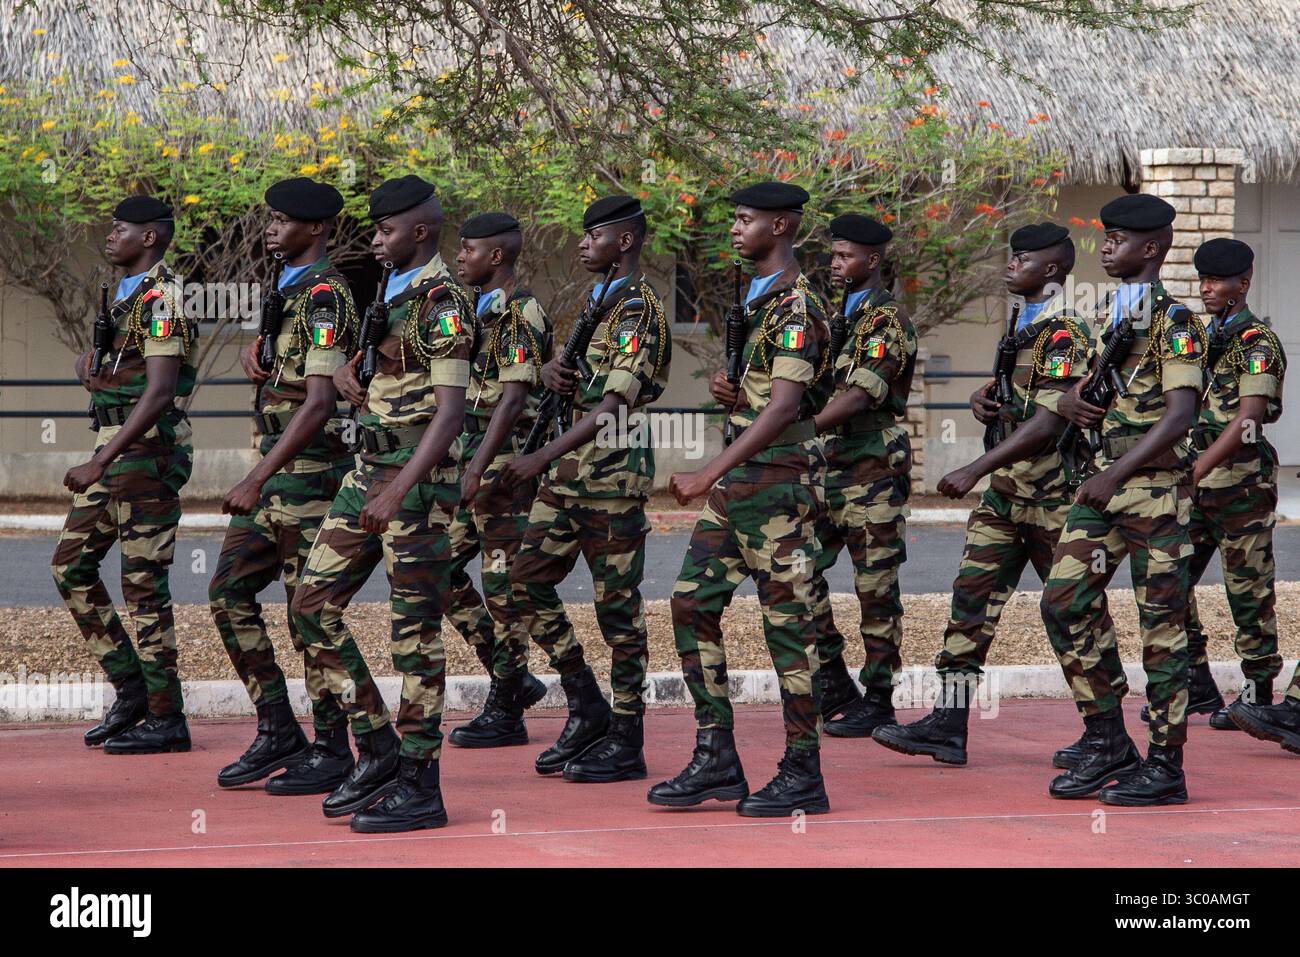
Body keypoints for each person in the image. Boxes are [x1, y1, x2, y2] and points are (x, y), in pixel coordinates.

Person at [872, 222, 1127, 765]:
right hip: (1008, 498)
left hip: (1054, 498)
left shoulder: (1064, 331)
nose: (1011, 265)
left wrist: (973, 468)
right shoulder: (1023, 321)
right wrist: (986, 398)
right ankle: (949, 723)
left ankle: (1107, 733)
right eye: (1012, 257)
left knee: (1073, 613)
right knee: (970, 604)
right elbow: (1021, 402)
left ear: (1053, 269)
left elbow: (1048, 421)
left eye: (1024, 259)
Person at [290, 174, 475, 832]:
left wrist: (399, 489)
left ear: (420, 232)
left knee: (414, 634)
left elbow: (450, 413)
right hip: (368, 470)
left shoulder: (443, 298)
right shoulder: (389, 291)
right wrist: (354, 381)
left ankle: (422, 784)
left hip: (415, 486)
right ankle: (377, 744)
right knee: (311, 604)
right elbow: (395, 383)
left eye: (386, 230)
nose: (374, 239)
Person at [648, 181, 833, 816]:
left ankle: (803, 771)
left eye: (747, 220)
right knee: (690, 603)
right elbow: (770, 395)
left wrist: (705, 474)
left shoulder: (797, 306)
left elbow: (784, 409)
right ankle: (717, 755)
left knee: (789, 629)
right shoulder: (758, 298)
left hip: (779, 487)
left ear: (780, 228)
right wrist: (736, 396)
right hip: (745, 486)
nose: (734, 229)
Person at [502, 195, 670, 783]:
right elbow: (582, 382)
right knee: (524, 581)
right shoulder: (598, 301)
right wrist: (551, 371)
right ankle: (586, 700)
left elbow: (613, 405)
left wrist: (537, 458)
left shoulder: (637, 311)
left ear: (624, 241)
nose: (582, 243)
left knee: (617, 610)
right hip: (567, 480)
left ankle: (627, 736)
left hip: (611, 480)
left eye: (593, 234)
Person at [1044, 194, 1204, 806]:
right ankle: (1107, 736)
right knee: (1063, 603)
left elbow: (1180, 416)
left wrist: (1116, 473)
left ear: (1153, 248)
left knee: (1161, 628)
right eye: (1105, 236)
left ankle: (1166, 765)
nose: (1105, 246)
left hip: (1153, 492)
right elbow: (1088, 391)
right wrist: (1068, 402)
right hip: (1103, 487)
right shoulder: (1114, 312)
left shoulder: (1175, 322)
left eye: (1118, 238)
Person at [208, 177, 359, 790]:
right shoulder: (288, 289)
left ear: (316, 228)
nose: (271, 227)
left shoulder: (326, 296)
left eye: (284, 219)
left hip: (308, 481)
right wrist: (261, 357)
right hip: (275, 478)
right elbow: (297, 378)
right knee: (227, 594)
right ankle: (277, 726)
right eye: (270, 217)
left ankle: (332, 747)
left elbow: (320, 402)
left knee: (307, 615)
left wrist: (255, 477)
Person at [53, 195, 197, 755]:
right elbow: (128, 374)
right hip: (116, 450)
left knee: (143, 586)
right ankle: (133, 690)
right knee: (71, 567)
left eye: (121, 229)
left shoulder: (163, 297)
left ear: (152, 238)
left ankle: (167, 717)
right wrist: (91, 372)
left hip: (148, 456)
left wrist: (100, 459)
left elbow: (161, 390)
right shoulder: (122, 296)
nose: (110, 236)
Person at [1157, 238, 1285, 732]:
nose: (1207, 289)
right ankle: (1199, 685)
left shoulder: (1258, 343)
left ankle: (1258, 698)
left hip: (1242, 489)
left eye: (1217, 281)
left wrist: (1195, 470)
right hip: (1197, 488)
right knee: (1169, 584)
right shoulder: (1203, 339)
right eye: (1203, 280)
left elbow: (1249, 419)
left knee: (1248, 596)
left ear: (1243, 283)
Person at [805, 213, 918, 738]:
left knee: (875, 586)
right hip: (826, 464)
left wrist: (797, 428)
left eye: (845, 255)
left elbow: (857, 394)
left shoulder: (886, 321)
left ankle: (878, 698)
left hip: (872, 463)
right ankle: (833, 679)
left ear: (872, 261)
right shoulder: (831, 314)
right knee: (796, 570)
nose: (835, 263)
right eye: (833, 254)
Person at [443, 212, 552, 748]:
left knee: (504, 589)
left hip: (501, 467)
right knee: (434, 566)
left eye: (469, 250)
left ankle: (507, 707)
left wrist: (477, 467)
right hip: (474, 462)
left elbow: (511, 399)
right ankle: (513, 676)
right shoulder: (475, 310)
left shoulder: (519, 313)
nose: (460, 257)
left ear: (498, 256)